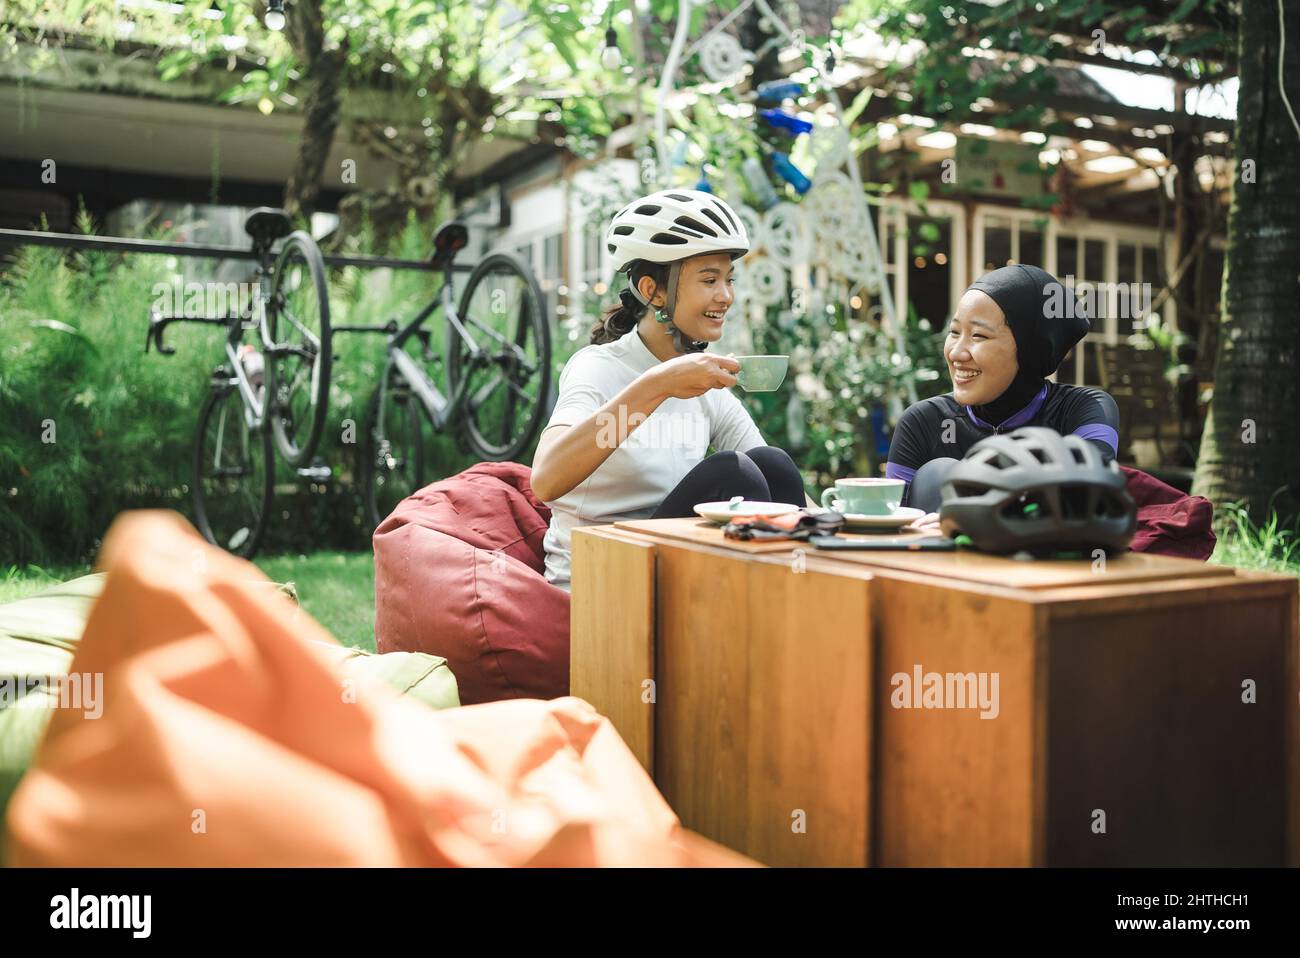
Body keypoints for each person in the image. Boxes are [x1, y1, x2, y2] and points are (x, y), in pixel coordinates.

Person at [530, 189, 808, 591]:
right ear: (653, 290)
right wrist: (660, 385)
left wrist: (851, 520)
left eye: (729, 280)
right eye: (709, 280)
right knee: (733, 473)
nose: (725, 296)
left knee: (773, 463)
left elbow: (780, 482)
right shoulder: (598, 368)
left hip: (667, 573)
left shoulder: (706, 386)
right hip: (599, 586)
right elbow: (546, 479)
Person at [886, 264, 1120, 517]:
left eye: (978, 336)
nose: (955, 353)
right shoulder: (923, 422)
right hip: (935, 555)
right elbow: (892, 520)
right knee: (938, 473)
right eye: (954, 332)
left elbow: (1092, 501)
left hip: (1046, 553)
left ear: (1030, 348)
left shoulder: (1082, 410)